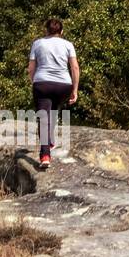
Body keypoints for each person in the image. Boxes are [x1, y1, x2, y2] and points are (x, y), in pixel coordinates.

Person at [27, 18, 78, 170]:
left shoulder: (37, 43)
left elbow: (31, 68)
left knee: (44, 118)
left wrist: (34, 81)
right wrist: (74, 90)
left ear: (46, 30)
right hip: (63, 85)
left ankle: (45, 156)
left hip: (42, 83)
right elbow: (74, 68)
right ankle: (49, 140)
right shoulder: (68, 44)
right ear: (61, 32)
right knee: (53, 108)